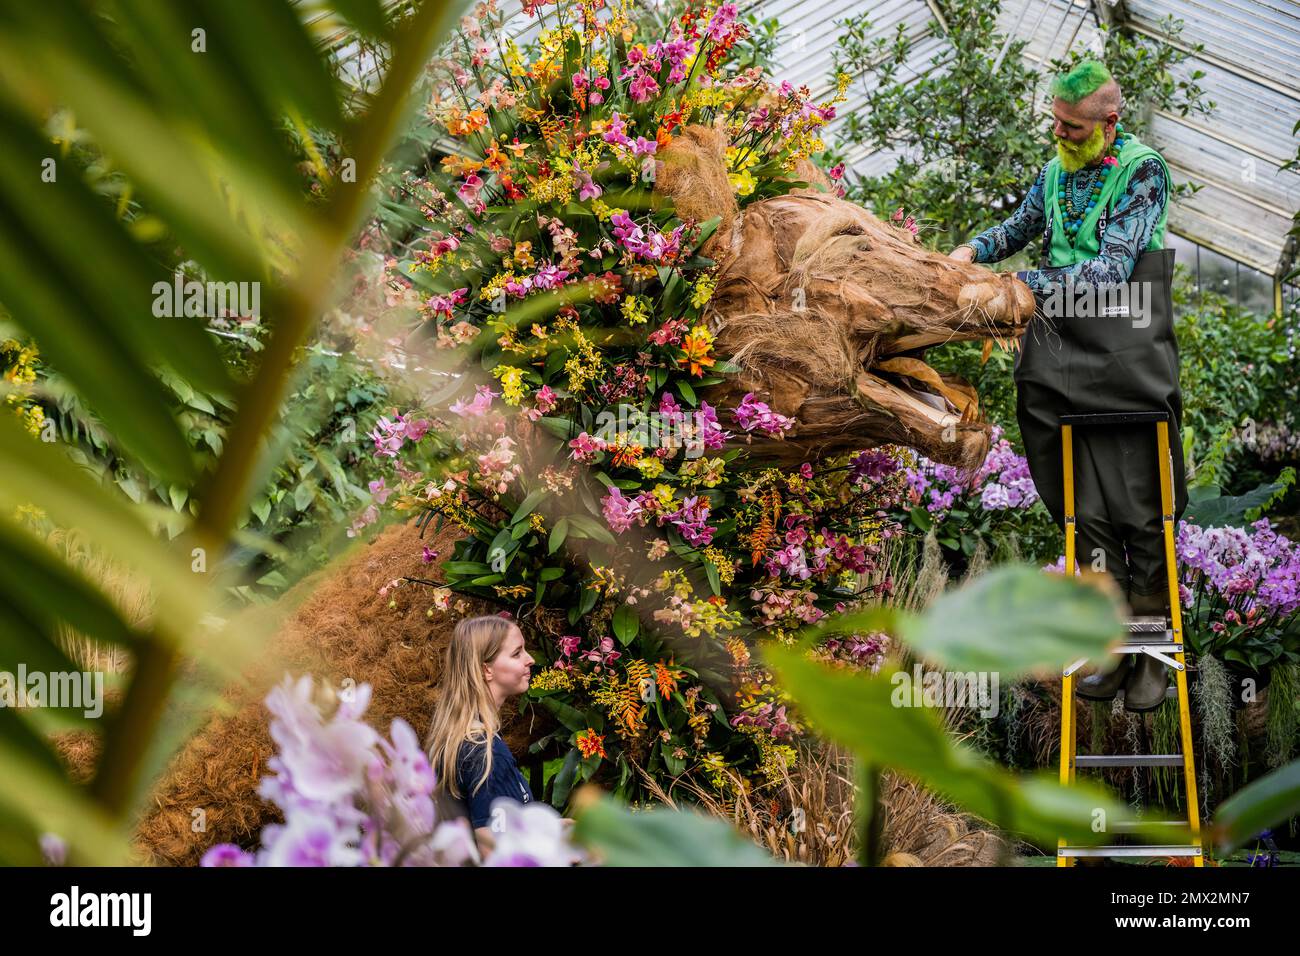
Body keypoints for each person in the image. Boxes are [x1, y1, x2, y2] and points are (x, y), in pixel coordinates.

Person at [948, 59, 1186, 712]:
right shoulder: (1056, 172)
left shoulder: (1142, 170)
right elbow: (1019, 227)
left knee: (1141, 511)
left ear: (1110, 122)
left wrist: (1019, 287)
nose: (1061, 132)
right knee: (1084, 511)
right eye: (1055, 121)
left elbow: (1112, 270)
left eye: (1073, 125)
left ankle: (1152, 655)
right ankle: (1106, 648)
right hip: (1062, 365)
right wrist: (971, 254)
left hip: (1124, 363)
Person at [426, 614, 538, 858]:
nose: (531, 659)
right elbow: (492, 848)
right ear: (486, 669)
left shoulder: (459, 739)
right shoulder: (484, 752)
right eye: (517, 653)